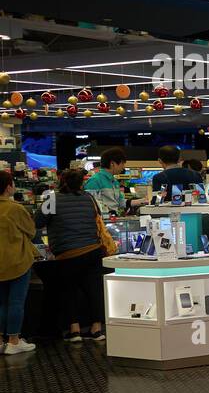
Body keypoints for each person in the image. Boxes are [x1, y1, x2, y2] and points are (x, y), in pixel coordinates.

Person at [35, 168, 107, 342]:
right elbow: (98, 217)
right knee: (94, 290)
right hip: (92, 250)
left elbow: (37, 222)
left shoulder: (51, 199)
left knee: (69, 291)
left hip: (68, 253)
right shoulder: (89, 198)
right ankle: (97, 329)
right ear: (81, 183)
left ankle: (74, 330)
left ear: (61, 181)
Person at [0, 170, 38, 354]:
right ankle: (14, 341)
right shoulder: (15, 209)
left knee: (1, 303)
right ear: (8, 187)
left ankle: (0, 341)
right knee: (15, 302)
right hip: (17, 262)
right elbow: (31, 231)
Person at [85, 146, 143, 217]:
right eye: (122, 163)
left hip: (113, 221)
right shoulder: (94, 181)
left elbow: (121, 202)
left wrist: (141, 201)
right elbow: (90, 206)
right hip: (102, 223)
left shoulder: (114, 182)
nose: (123, 167)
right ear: (112, 164)